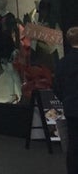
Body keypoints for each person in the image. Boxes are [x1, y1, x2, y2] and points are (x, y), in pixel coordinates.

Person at [52, 27, 78, 174]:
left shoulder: (63, 62)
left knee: (73, 144)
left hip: (71, 107)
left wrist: (66, 99)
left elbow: (56, 86)